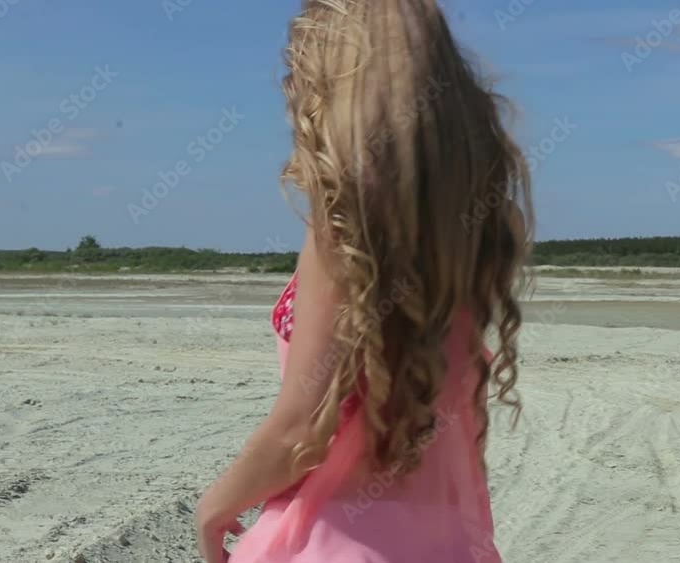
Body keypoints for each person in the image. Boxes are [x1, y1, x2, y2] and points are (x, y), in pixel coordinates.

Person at [195, 0, 533, 561]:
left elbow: (300, 430)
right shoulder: (491, 229)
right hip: (447, 543)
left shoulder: (341, 233)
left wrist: (212, 511)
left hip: (332, 542)